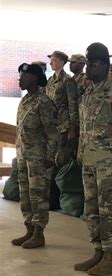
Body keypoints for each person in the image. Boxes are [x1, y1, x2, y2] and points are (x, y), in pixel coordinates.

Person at [75, 43, 112, 276]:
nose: (87, 68)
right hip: (90, 160)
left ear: (103, 65)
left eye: (91, 63)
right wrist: (81, 154)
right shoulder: (90, 91)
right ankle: (98, 251)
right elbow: (85, 128)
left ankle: (110, 258)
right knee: (91, 209)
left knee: (110, 210)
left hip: (109, 164)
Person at [11, 63, 58, 249]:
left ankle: (39, 233)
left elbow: (52, 133)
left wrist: (49, 157)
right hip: (24, 155)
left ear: (35, 78)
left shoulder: (44, 102)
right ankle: (29, 229)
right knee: (25, 195)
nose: (20, 79)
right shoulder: (25, 101)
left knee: (38, 195)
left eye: (24, 76)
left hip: (39, 158)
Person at [45, 50, 79, 167]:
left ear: (62, 62)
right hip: (51, 124)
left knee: (60, 158)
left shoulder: (68, 81)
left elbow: (72, 104)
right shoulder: (50, 80)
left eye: (54, 60)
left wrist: (72, 128)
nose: (51, 63)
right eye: (51, 60)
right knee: (49, 155)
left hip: (63, 126)